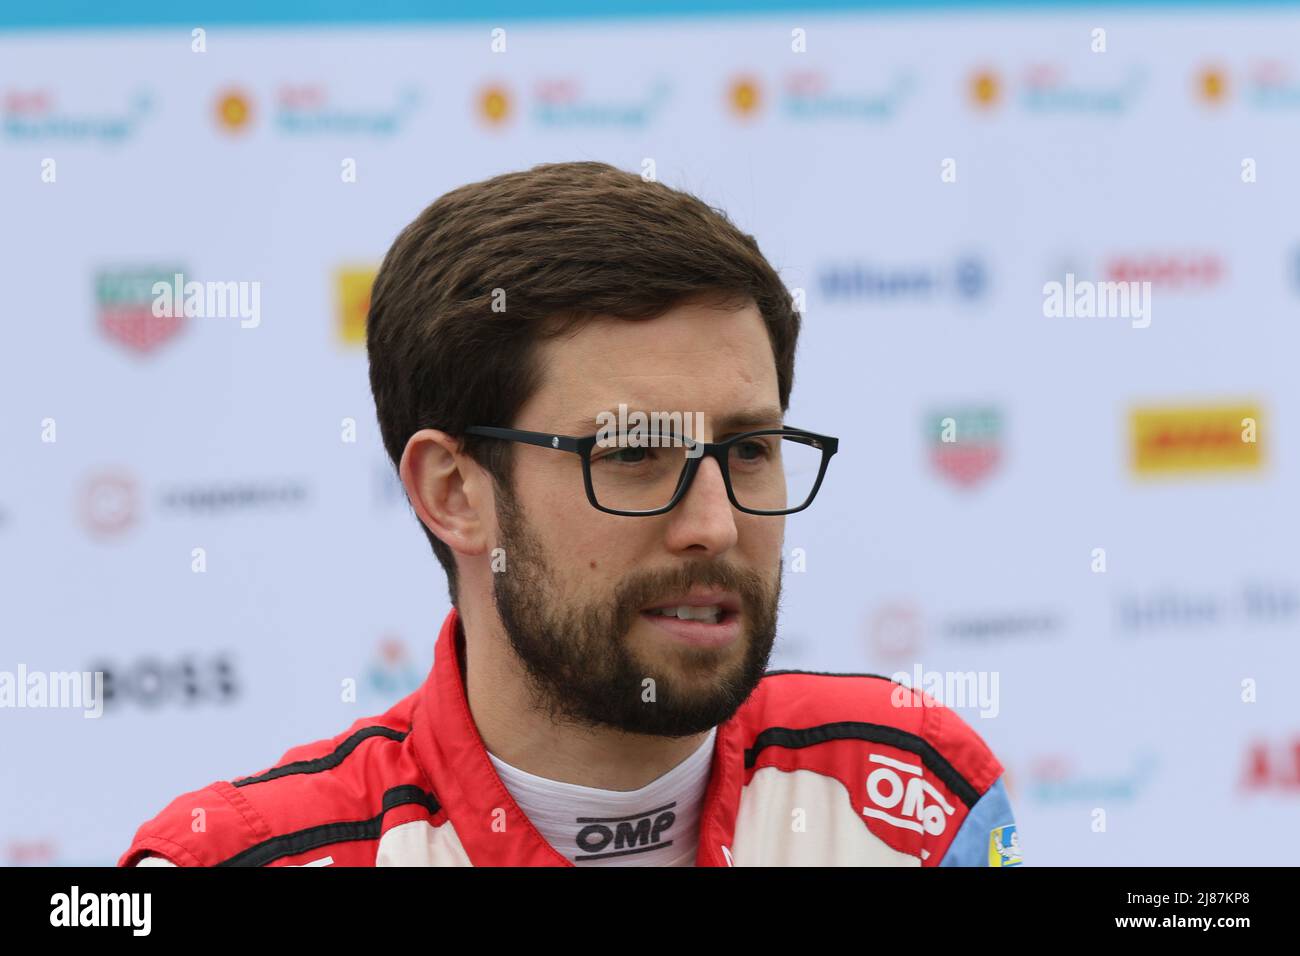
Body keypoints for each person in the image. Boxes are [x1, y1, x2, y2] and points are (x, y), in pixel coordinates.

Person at [121, 161, 1018, 867]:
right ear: (454, 494)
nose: (714, 522)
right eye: (631, 455)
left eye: (747, 449)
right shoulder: (233, 857)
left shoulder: (912, 792)